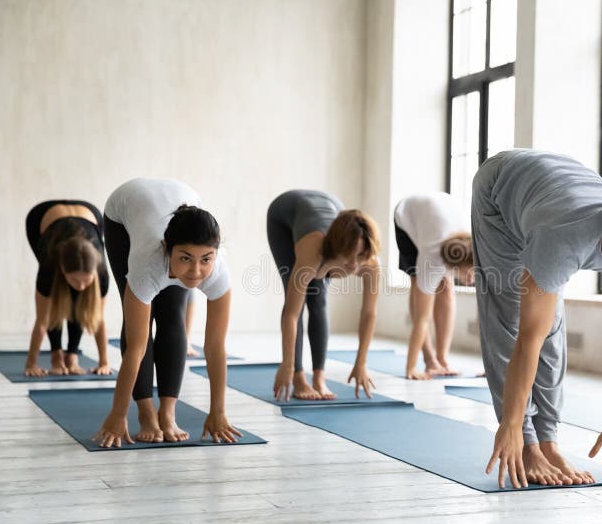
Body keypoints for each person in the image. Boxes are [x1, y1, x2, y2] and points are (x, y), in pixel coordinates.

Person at [472, 149, 602, 488]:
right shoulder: (565, 236)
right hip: (501, 191)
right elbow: (528, 337)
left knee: (552, 324)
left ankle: (548, 442)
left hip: (551, 193)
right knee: (514, 313)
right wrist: (512, 424)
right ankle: (529, 446)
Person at [94, 178, 241, 447]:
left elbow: (215, 346)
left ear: (215, 254)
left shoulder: (218, 272)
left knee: (173, 313)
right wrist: (118, 414)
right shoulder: (147, 264)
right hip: (123, 212)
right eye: (185, 258)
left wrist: (218, 411)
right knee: (139, 323)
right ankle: (146, 411)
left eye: (205, 259)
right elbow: (136, 349)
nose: (196, 271)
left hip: (184, 198)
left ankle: (168, 412)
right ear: (167, 249)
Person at [267, 190, 380, 401]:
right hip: (284, 214)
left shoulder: (370, 261)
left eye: (361, 257)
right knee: (299, 300)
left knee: (318, 299)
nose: (355, 266)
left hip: (330, 205)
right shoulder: (313, 251)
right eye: (349, 259)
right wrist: (287, 365)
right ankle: (300, 378)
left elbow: (369, 313)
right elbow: (290, 314)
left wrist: (361, 363)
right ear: (337, 250)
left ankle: (319, 378)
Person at [25, 200, 111, 377]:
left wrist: (104, 362)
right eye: (74, 279)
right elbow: (42, 321)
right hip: (41, 217)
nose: (80, 286)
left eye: (86, 281)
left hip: (90, 215)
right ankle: (56, 355)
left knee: (81, 299)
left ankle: (72, 355)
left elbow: (99, 319)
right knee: (58, 295)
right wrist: (31, 364)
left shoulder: (101, 273)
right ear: (62, 270)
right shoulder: (49, 265)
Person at [393, 192, 474, 379]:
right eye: (469, 274)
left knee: (447, 287)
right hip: (407, 215)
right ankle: (430, 360)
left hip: (443, 212)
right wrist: (411, 368)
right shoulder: (432, 257)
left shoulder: (476, 247)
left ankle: (443, 359)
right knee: (418, 286)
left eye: (474, 273)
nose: (471, 280)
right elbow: (423, 319)